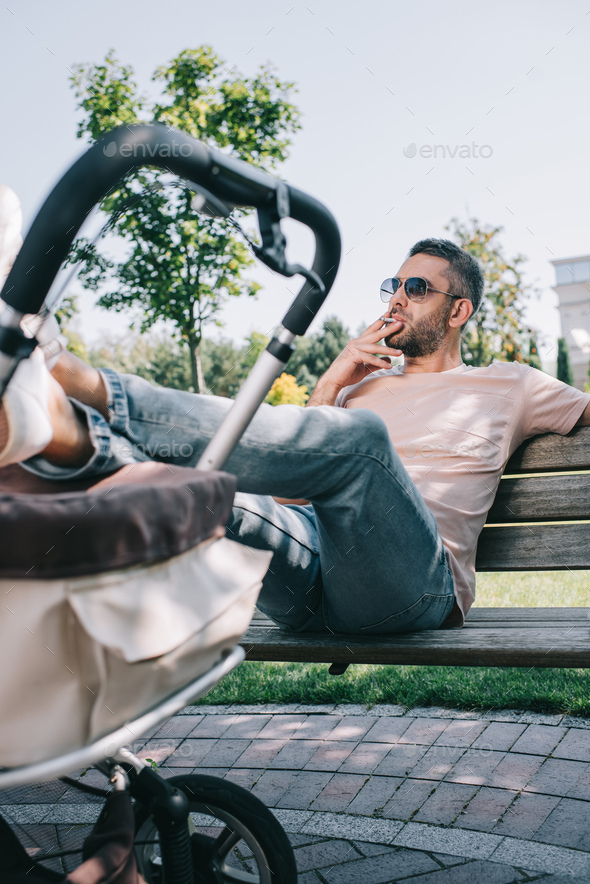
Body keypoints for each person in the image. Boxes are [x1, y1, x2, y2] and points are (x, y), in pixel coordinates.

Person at [1, 186, 589, 633]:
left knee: (358, 440)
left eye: (417, 288)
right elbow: (286, 506)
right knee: (194, 490)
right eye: (394, 285)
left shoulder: (510, 385)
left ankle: (77, 378)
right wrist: (333, 380)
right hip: (310, 588)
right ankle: (75, 436)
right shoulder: (359, 390)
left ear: (458, 312)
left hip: (417, 592)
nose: (397, 299)